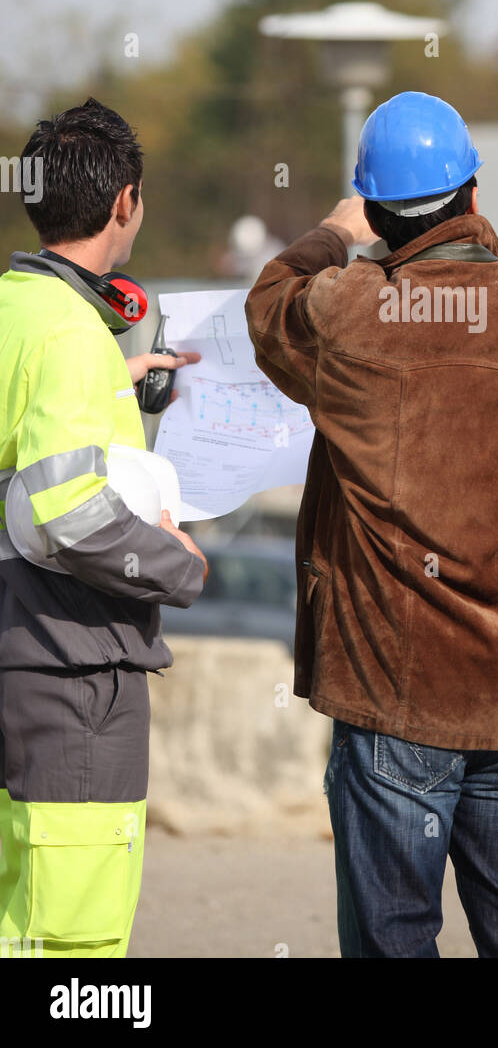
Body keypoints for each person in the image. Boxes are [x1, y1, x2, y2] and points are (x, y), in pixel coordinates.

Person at [245, 90, 498, 958]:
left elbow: (269, 304)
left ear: (379, 214)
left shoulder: (348, 317)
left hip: (394, 693)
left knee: (394, 938)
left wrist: (332, 232)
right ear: (475, 196)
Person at [0, 98, 207, 959]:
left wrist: (110, 382)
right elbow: (66, 515)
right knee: (69, 937)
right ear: (126, 203)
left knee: (18, 908)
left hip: (17, 656)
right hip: (70, 672)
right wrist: (177, 563)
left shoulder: (17, 311)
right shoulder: (71, 336)